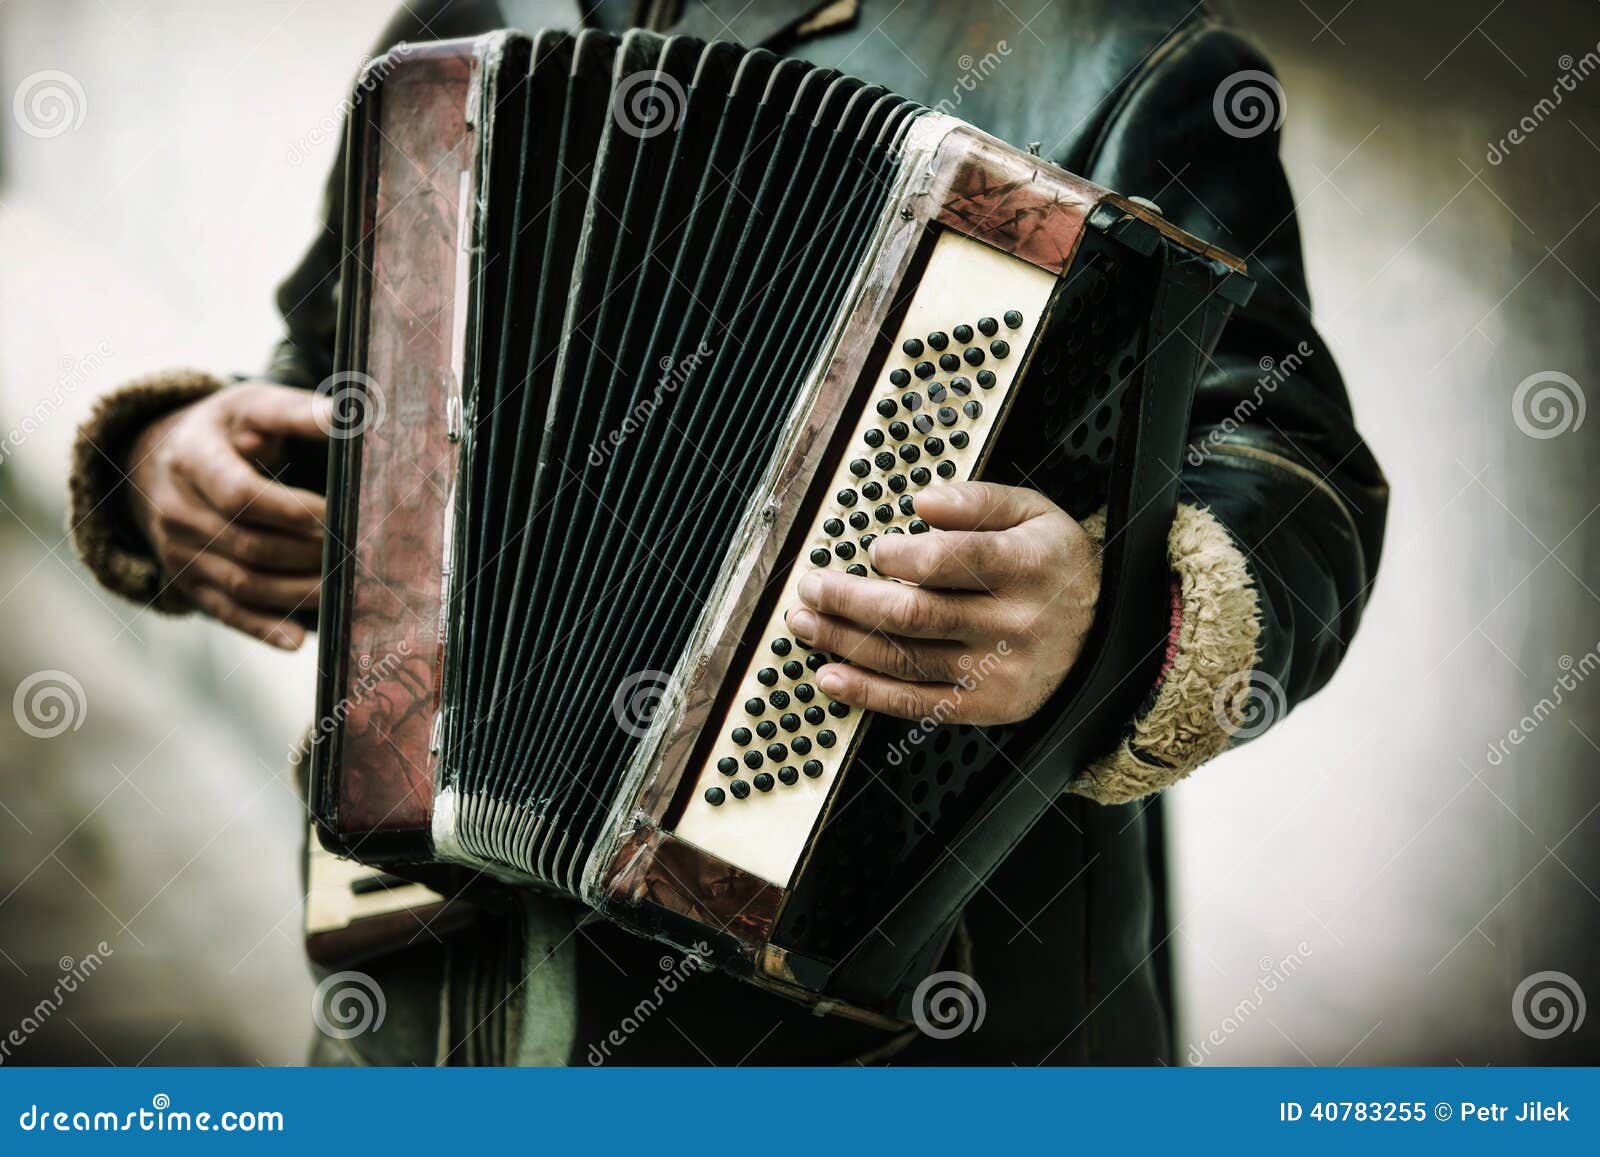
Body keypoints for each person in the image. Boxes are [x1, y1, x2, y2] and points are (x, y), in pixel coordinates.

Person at [68, 0, 1388, 1065]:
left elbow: (1296, 468)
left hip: (908, 1039)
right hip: (441, 1010)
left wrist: (1108, 609)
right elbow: (331, 381)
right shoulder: (475, 23)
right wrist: (175, 461)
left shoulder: (1132, 65)